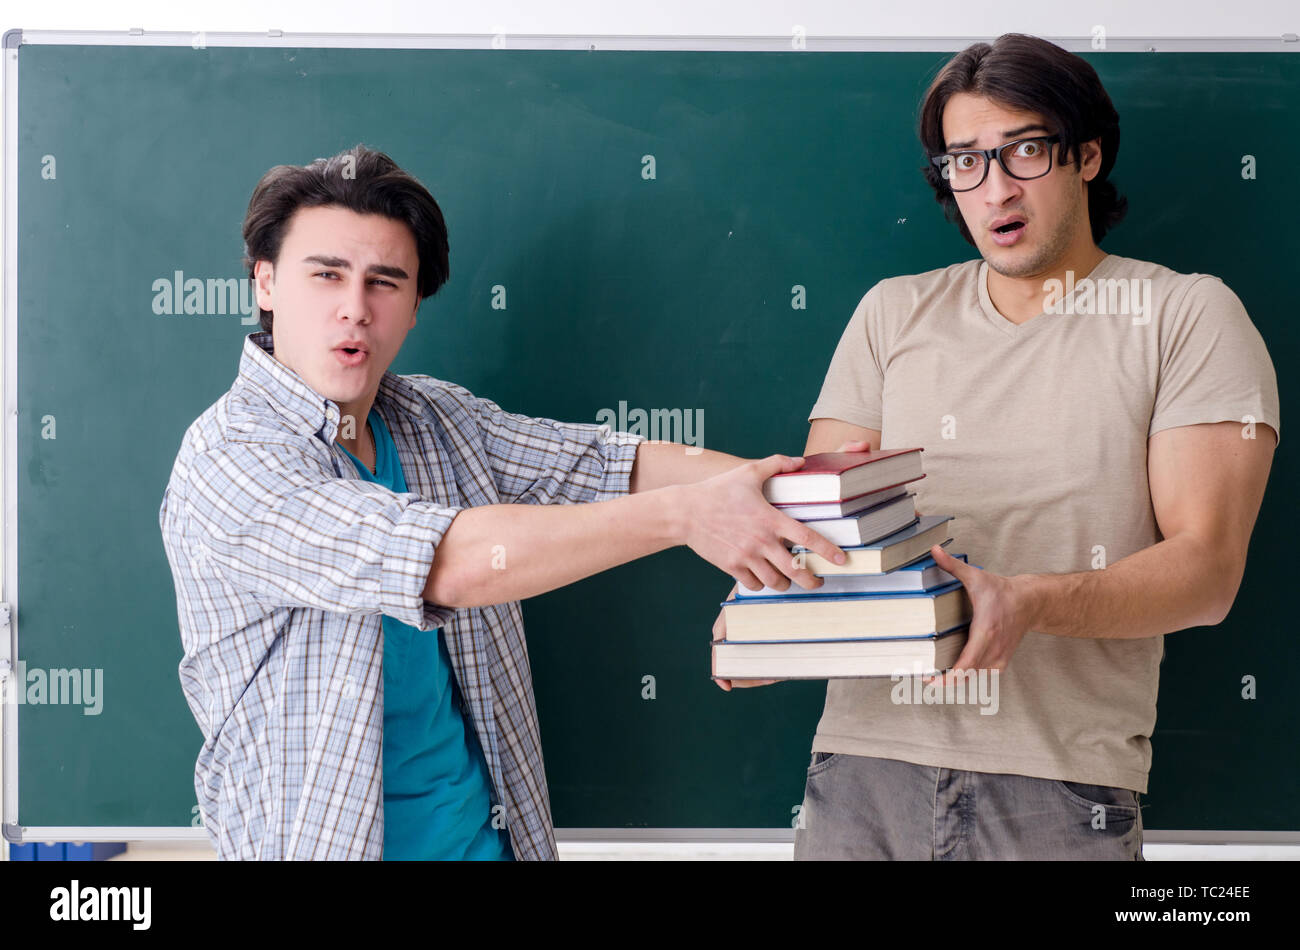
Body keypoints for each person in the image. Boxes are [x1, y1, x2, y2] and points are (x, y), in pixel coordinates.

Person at [159, 144, 855, 860]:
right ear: (265, 283)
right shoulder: (231, 460)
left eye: (385, 282)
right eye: (326, 276)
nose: (355, 309)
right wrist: (687, 518)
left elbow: (612, 464)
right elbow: (448, 563)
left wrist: (818, 504)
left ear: (415, 308)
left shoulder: (436, 421)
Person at [714, 33, 1281, 860]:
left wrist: (1029, 602)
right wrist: (769, 620)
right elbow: (826, 526)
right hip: (862, 772)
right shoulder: (891, 314)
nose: (994, 188)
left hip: (1058, 788)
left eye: (1024, 151)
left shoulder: (1186, 316)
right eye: (964, 162)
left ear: (1086, 155)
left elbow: (1207, 574)